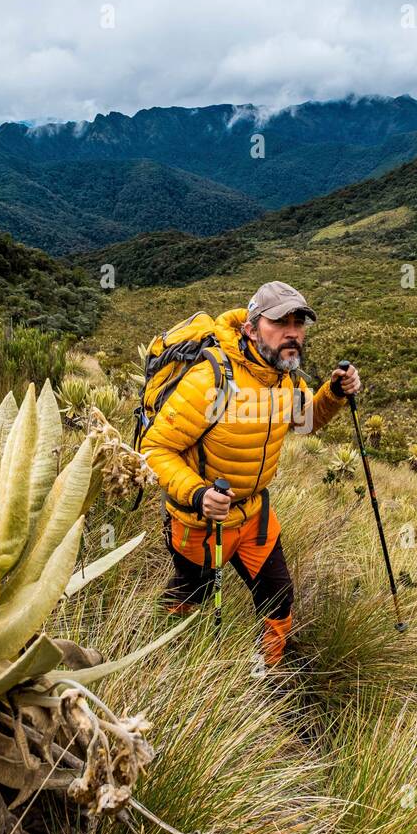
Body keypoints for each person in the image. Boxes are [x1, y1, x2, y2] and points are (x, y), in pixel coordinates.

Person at [140, 281, 361, 668]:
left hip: (255, 515)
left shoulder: (285, 377)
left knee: (279, 595)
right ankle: (163, 656)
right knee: (194, 595)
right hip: (200, 519)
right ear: (252, 328)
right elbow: (155, 448)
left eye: (299, 322)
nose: (293, 333)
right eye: (281, 323)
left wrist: (334, 393)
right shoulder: (211, 380)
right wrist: (196, 493)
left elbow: (305, 421)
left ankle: (267, 673)